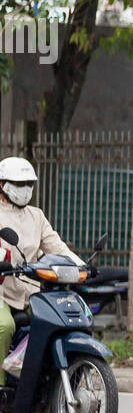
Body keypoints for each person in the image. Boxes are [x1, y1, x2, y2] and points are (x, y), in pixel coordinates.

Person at [0, 157, 84, 385]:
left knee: (57, 321)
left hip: (32, 293)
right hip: (3, 292)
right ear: (3, 185)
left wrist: (81, 266)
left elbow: (56, 246)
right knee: (4, 326)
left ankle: (40, 380)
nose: (24, 189)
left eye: (29, 183)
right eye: (18, 183)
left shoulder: (36, 216)